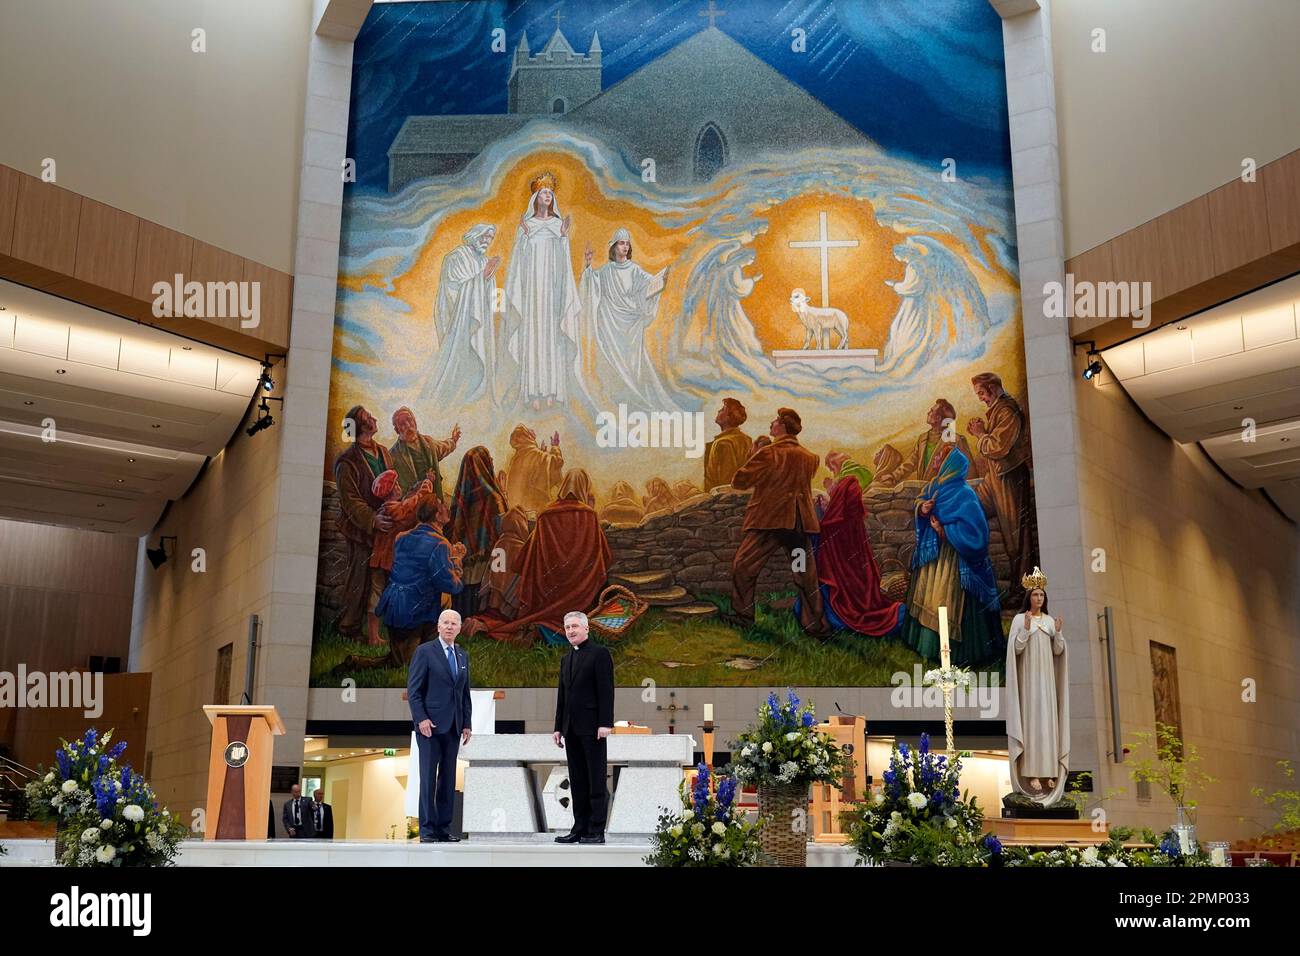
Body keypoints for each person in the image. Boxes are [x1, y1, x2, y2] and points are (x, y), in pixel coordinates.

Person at [727, 407, 828, 636]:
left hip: (769, 522)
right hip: (799, 524)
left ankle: (743, 616)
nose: (770, 425)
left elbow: (739, 481)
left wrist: (753, 455)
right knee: (804, 574)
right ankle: (815, 625)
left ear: (782, 426)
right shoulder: (810, 457)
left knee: (743, 566)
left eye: (773, 422)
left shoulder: (768, 453)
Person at [899, 449, 1004, 666]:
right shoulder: (935, 485)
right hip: (933, 558)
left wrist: (944, 532)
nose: (936, 460)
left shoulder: (965, 494)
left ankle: (956, 653)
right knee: (930, 597)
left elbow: (977, 532)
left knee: (945, 601)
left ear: (950, 464)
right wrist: (922, 508)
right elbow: (921, 499)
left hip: (953, 558)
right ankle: (927, 646)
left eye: (940, 458)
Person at [482, 468, 611, 645]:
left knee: (545, 613)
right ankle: (547, 631)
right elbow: (604, 554)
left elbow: (529, 553)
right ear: (584, 487)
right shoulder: (589, 515)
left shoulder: (545, 514)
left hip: (549, 587)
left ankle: (541, 629)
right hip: (582, 592)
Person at [501, 172, 583, 410]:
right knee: (533, 338)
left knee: (551, 338)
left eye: (550, 193)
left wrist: (564, 238)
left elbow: (563, 263)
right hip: (532, 294)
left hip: (552, 293)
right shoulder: (527, 227)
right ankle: (532, 393)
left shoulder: (558, 225)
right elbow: (518, 264)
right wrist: (524, 238)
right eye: (543, 192)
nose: (547, 196)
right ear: (535, 197)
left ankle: (552, 391)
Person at [578, 227, 678, 412]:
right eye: (621, 243)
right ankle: (616, 399)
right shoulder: (606, 271)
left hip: (631, 326)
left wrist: (661, 280)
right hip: (609, 324)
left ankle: (633, 398)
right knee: (612, 361)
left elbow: (650, 284)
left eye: (627, 243)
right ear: (614, 247)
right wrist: (588, 266)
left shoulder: (634, 270)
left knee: (633, 364)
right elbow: (591, 284)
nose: (624, 247)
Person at [373, 497, 466, 666]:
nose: (447, 509)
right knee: (406, 663)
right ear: (437, 516)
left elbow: (417, 570)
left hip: (395, 609)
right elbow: (451, 585)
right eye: (443, 506)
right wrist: (457, 561)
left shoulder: (401, 537)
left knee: (399, 661)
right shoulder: (440, 543)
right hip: (416, 615)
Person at [407, 609, 473, 842]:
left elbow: (464, 692)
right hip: (429, 727)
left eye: (454, 623)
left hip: (454, 727)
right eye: (445, 622)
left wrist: (467, 722)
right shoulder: (424, 652)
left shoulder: (462, 655)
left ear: (459, 627)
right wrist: (421, 719)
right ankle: (427, 830)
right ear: (438, 626)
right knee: (428, 779)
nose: (449, 626)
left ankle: (444, 829)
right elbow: (414, 691)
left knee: (448, 780)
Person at [810, 475, 903, 636]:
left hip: (839, 584)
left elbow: (822, 541)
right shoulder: (855, 519)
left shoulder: (832, 525)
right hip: (859, 582)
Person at [1005, 568, 1068, 805]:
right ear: (1029, 597)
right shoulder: (1020, 620)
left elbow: (1058, 652)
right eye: (1035, 595)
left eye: (1042, 595)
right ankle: (1031, 773)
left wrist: (1059, 634)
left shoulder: (1051, 622)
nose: (1039, 599)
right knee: (1032, 726)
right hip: (1029, 682)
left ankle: (1049, 773)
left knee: (1048, 727)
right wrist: (1026, 630)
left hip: (1047, 683)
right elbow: (1016, 651)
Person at [967, 372, 1035, 594]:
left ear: (994, 388)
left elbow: (998, 448)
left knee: (1016, 537)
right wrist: (982, 432)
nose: (981, 398)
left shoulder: (1007, 410)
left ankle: (1024, 591)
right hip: (995, 478)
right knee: (970, 511)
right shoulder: (998, 410)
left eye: (982, 393)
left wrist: (979, 435)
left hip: (1009, 477)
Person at [552, 611, 614, 845]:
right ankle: (579, 828)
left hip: (593, 727)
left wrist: (605, 723)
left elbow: (606, 691)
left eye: (575, 626)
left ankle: (596, 830)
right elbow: (562, 697)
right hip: (571, 729)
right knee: (577, 780)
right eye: (567, 627)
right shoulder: (566, 658)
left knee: (596, 779)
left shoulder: (600, 654)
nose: (571, 631)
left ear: (586, 629)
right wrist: (558, 727)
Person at [333, 406, 394, 641]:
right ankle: (348, 627)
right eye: (370, 417)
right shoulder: (347, 462)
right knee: (359, 577)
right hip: (360, 529)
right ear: (362, 425)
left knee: (381, 578)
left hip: (384, 527)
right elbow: (350, 501)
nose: (375, 418)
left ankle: (378, 629)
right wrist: (372, 519)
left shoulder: (384, 453)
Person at [427, 224, 501, 407]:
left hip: (480, 324)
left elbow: (493, 298)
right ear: (474, 235)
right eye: (484, 236)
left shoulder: (484, 261)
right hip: (461, 324)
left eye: (490, 238)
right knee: (460, 364)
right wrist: (481, 277)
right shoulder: (456, 257)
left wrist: (502, 307)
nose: (487, 241)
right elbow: (453, 290)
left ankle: (476, 398)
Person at [447, 446, 507, 619]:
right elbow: (502, 524)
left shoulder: (462, 492)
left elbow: (455, 523)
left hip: (466, 555)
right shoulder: (492, 495)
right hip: (489, 554)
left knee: (468, 583)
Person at [878, 398, 978, 487]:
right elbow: (911, 462)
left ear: (938, 418)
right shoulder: (923, 439)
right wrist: (894, 476)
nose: (928, 413)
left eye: (931, 411)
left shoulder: (956, 440)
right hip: (925, 494)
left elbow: (970, 472)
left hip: (946, 493)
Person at [390, 406, 460, 500]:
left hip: (435, 499)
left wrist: (453, 440)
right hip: (412, 506)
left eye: (409, 420)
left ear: (415, 421)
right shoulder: (393, 455)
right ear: (397, 430)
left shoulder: (428, 442)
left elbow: (443, 447)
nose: (408, 425)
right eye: (402, 424)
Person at [476, 506, 529, 626]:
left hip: (494, 598)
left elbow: (493, 573)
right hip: (510, 604)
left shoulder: (500, 543)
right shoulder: (521, 547)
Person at [504, 423, 564, 517]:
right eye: (529, 431)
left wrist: (542, 453)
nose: (532, 432)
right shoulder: (536, 454)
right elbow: (556, 462)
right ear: (526, 437)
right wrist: (555, 447)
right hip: (535, 513)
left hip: (518, 514)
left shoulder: (516, 459)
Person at [703, 398, 753, 491]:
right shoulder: (747, 440)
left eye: (722, 410)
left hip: (720, 498)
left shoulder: (723, 443)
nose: (718, 411)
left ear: (728, 417)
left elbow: (725, 482)